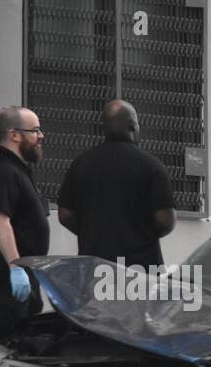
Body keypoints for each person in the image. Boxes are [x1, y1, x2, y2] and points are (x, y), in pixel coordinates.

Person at [57, 99, 175, 268]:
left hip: (94, 266)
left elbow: (65, 215)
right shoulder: (152, 166)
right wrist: (140, 235)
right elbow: (166, 221)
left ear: (104, 128)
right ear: (132, 125)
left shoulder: (81, 164)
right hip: (141, 269)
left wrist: (91, 234)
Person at [0, 106, 49, 335]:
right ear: (14, 134)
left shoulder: (17, 170)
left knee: (24, 341)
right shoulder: (2, 172)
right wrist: (15, 267)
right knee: (7, 340)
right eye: (35, 130)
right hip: (6, 277)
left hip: (24, 273)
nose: (41, 136)